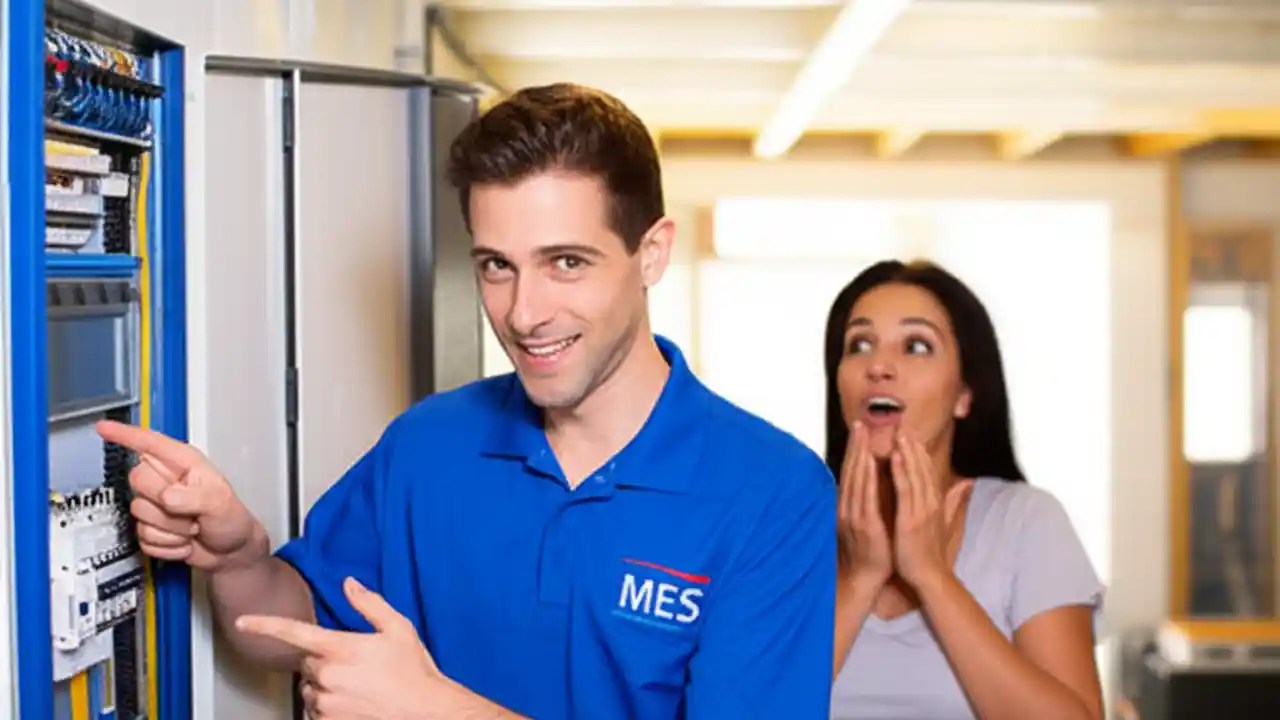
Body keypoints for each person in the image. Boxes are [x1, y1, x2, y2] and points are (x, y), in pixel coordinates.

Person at [97, 83, 836, 720]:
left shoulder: (771, 490)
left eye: (566, 263)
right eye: (497, 266)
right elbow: (286, 632)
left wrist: (439, 708)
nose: (524, 313)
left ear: (652, 252)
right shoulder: (429, 444)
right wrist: (239, 558)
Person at [825, 259, 1105, 720]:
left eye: (915, 345)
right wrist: (860, 580)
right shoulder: (786, 525)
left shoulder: (1026, 521)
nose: (879, 366)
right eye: (859, 344)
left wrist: (932, 576)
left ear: (964, 395)